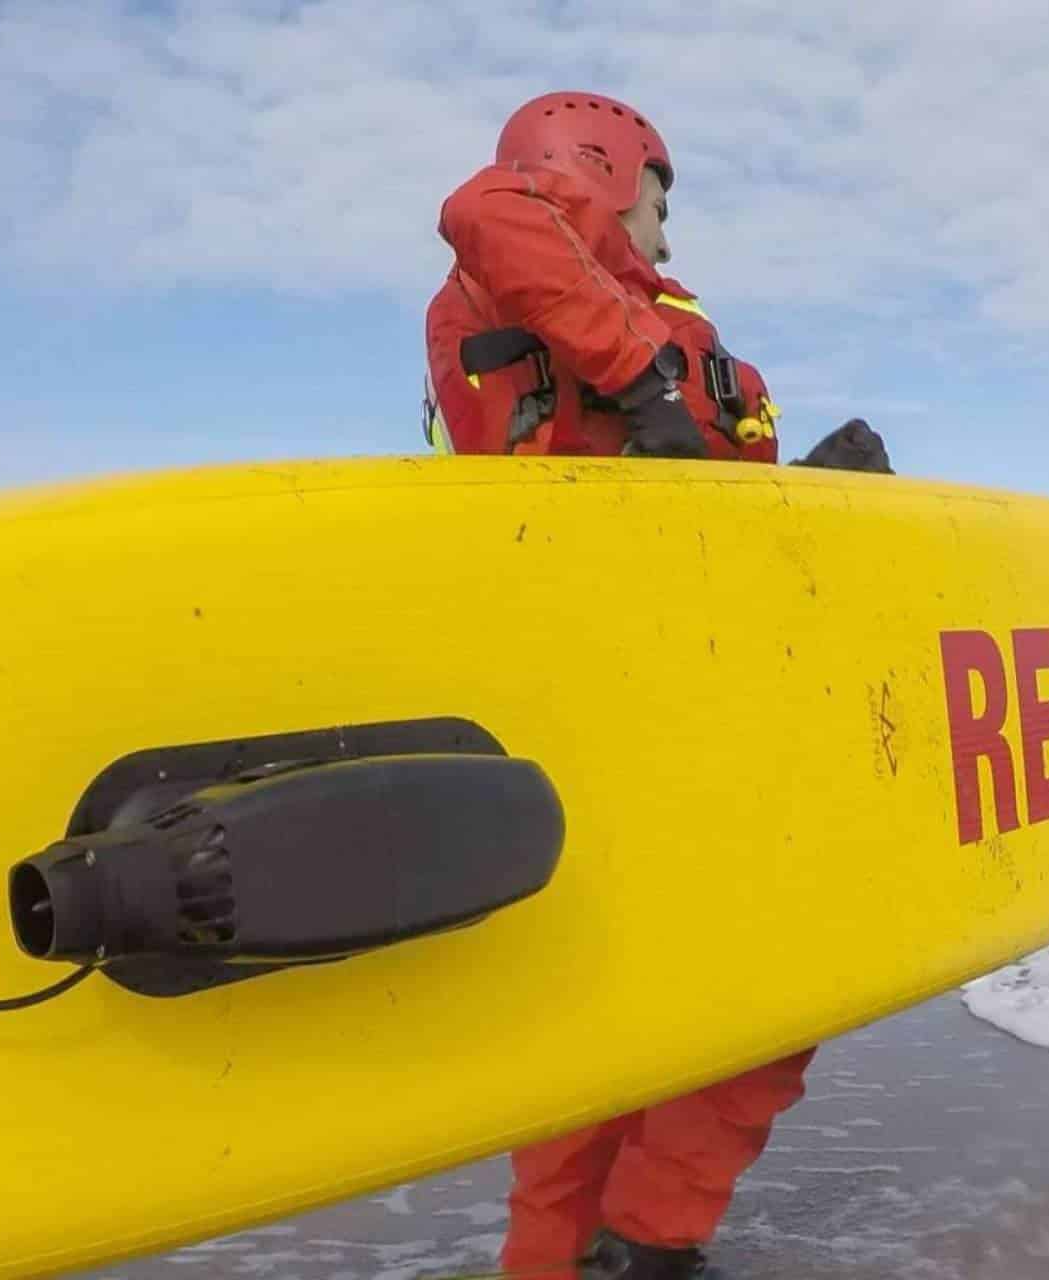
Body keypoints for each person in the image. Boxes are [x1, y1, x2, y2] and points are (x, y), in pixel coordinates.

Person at [423, 92, 890, 1279]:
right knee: (775, 984)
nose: (671, 229)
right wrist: (642, 381)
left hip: (688, 690)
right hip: (614, 698)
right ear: (605, 167)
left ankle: (584, 1260)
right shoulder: (523, 256)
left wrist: (820, 501)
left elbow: (703, 516)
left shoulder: (652, 317)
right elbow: (487, 210)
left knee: (625, 1013)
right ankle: (638, 1249)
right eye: (661, 195)